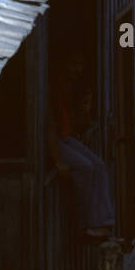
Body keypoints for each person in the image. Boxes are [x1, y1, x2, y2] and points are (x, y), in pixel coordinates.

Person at [47, 47, 115, 240]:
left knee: (99, 166)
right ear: (65, 64)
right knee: (85, 168)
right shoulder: (51, 87)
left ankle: (105, 222)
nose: (78, 69)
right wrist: (59, 161)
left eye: (80, 65)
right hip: (55, 140)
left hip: (66, 136)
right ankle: (88, 224)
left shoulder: (69, 85)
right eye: (74, 64)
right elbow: (48, 127)